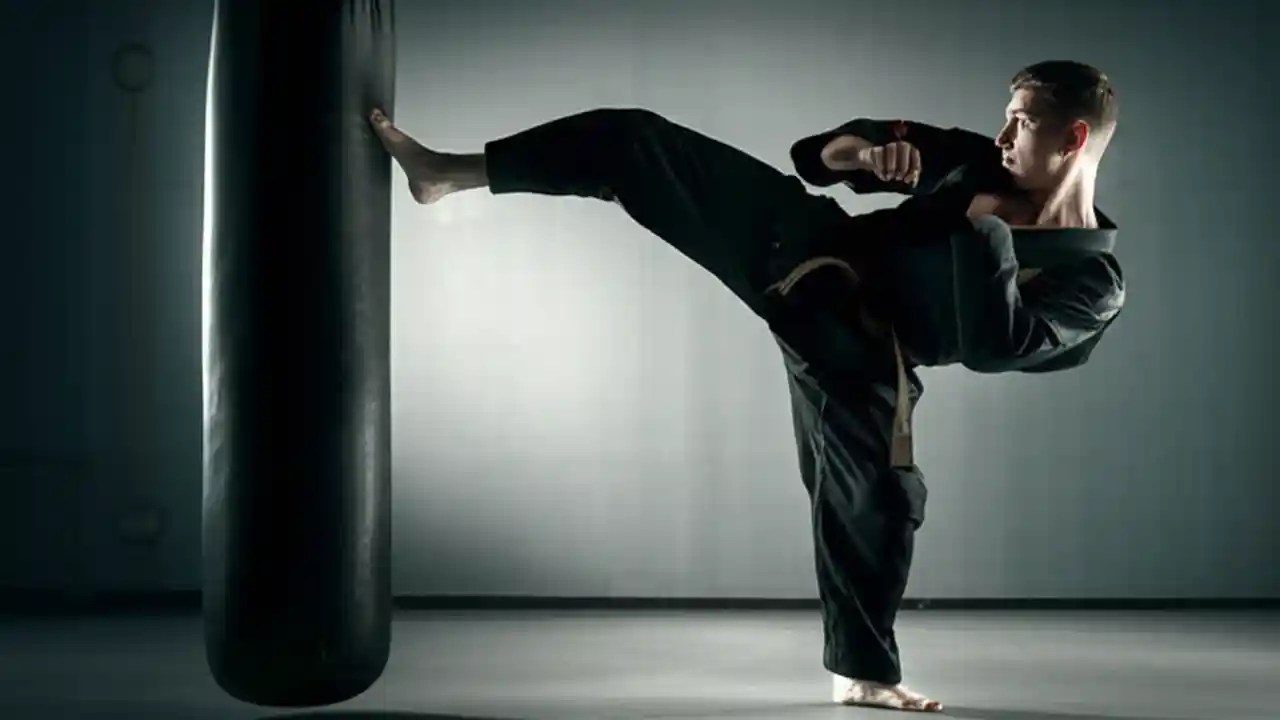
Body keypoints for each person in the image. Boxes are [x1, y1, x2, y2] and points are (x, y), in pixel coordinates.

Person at [368, 59, 1125, 713]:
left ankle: (861, 674)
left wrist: (985, 231)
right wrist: (858, 150)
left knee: (881, 499)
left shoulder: (1090, 276)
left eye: (1020, 123)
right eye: (1004, 119)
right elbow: (815, 156)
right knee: (637, 143)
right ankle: (449, 173)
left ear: (1074, 139)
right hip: (809, 245)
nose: (1000, 138)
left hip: (865, 351)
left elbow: (1001, 347)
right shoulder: (978, 163)